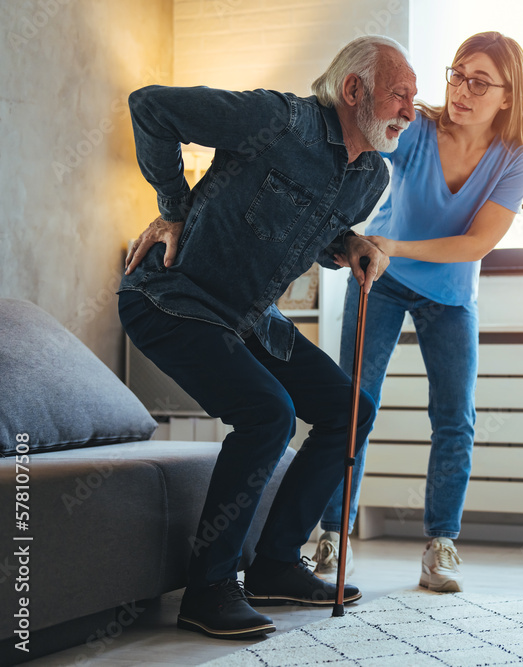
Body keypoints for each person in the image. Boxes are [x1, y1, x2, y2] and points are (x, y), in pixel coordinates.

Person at [117, 35, 416, 639]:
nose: (410, 112)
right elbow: (151, 106)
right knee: (268, 414)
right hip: (172, 298)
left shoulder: (370, 175)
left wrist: (351, 245)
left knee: (348, 409)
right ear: (354, 90)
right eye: (400, 95)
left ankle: (277, 564)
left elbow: (316, 226)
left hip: (250, 316)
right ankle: (208, 589)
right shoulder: (278, 120)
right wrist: (173, 208)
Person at [312, 31, 523, 593]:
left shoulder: (517, 158)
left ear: (508, 97)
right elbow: (355, 141)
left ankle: (441, 545)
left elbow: (476, 243)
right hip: (379, 280)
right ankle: (333, 536)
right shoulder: (419, 129)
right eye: (457, 75)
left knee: (454, 419)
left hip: (449, 293)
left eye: (479, 82)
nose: (462, 89)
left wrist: (394, 245)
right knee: (352, 406)